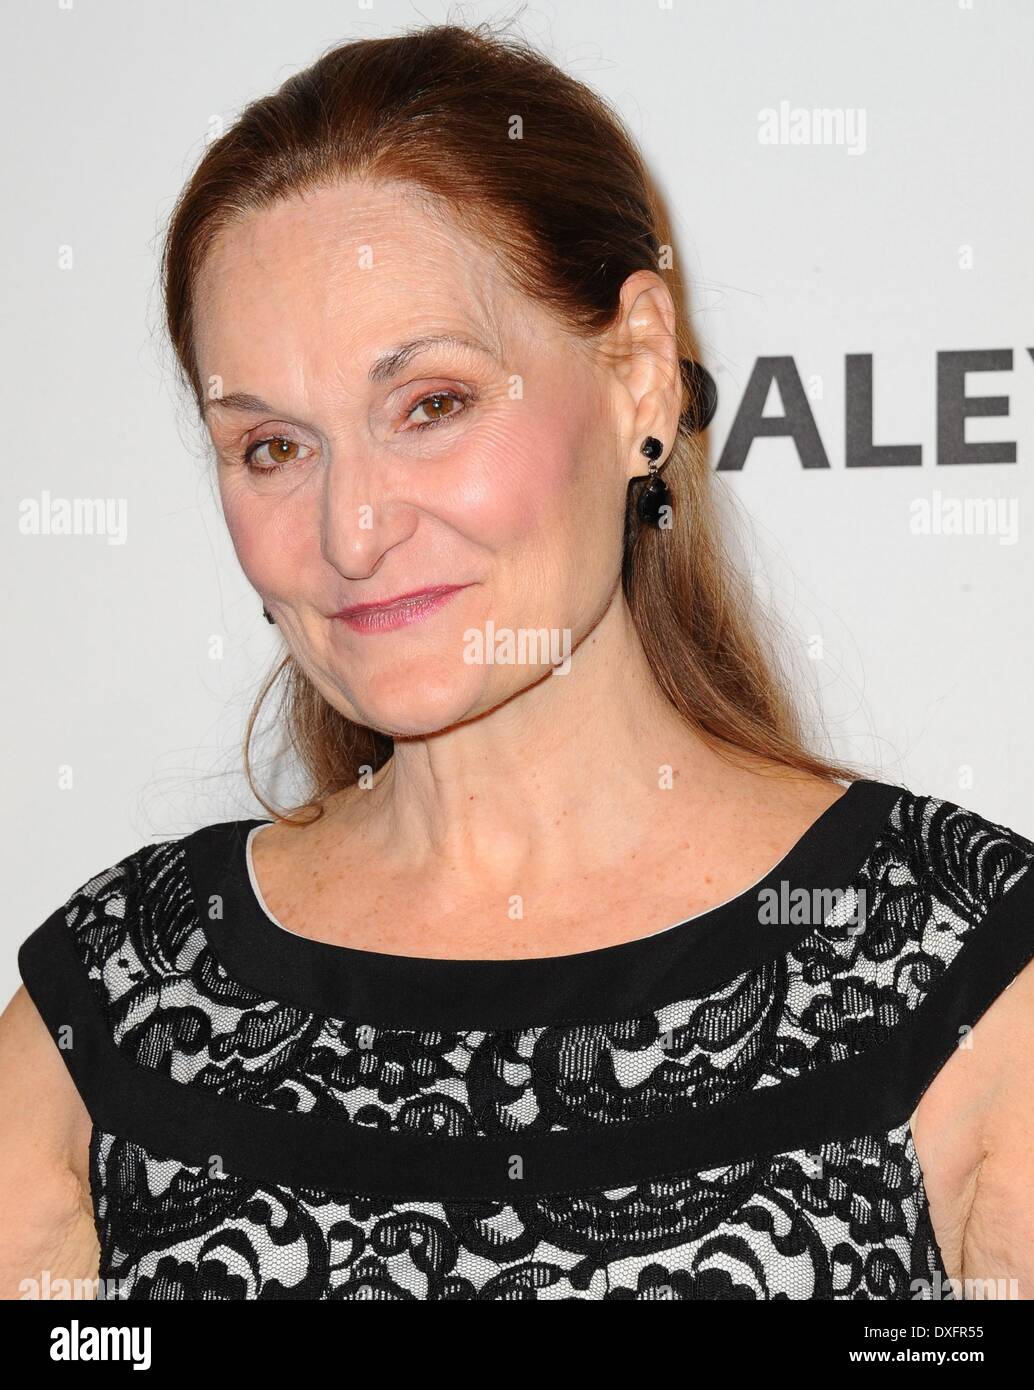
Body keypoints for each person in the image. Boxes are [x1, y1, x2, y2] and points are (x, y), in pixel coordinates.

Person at [2, 22, 1032, 1302]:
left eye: (429, 404)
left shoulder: (970, 976)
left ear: (637, 375)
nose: (350, 531)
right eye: (272, 445)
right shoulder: (109, 1010)